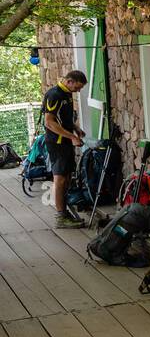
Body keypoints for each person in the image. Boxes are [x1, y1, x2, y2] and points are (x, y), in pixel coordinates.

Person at [43, 69, 88, 228]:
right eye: (77, 87)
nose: (78, 90)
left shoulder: (67, 93)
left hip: (67, 140)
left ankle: (65, 209)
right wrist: (72, 137)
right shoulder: (54, 95)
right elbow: (50, 122)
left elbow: (64, 118)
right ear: (69, 81)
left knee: (68, 176)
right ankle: (61, 217)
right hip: (57, 142)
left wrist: (76, 128)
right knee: (60, 178)